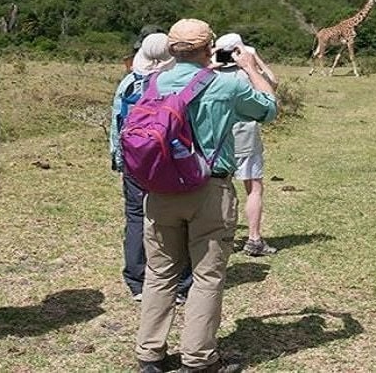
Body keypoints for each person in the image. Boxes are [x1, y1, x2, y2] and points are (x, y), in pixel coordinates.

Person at [135, 19, 277, 373]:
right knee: (206, 276)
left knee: (159, 273)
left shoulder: (152, 82)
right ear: (208, 47)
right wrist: (249, 67)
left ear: (171, 48)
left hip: (159, 189)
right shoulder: (224, 85)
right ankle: (198, 360)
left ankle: (149, 354)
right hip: (209, 189)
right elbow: (268, 108)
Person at [110, 31, 193, 303]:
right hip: (169, 165)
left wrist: (121, 162)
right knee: (177, 222)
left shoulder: (128, 85)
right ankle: (179, 283)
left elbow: (117, 127)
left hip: (135, 163)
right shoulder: (178, 84)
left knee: (135, 218)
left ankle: (137, 281)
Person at [213, 33, 279, 257]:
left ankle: (220, 239)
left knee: (220, 189)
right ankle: (254, 238)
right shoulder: (246, 76)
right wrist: (253, 59)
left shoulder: (211, 76)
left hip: (218, 140)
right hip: (246, 139)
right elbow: (273, 84)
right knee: (254, 188)